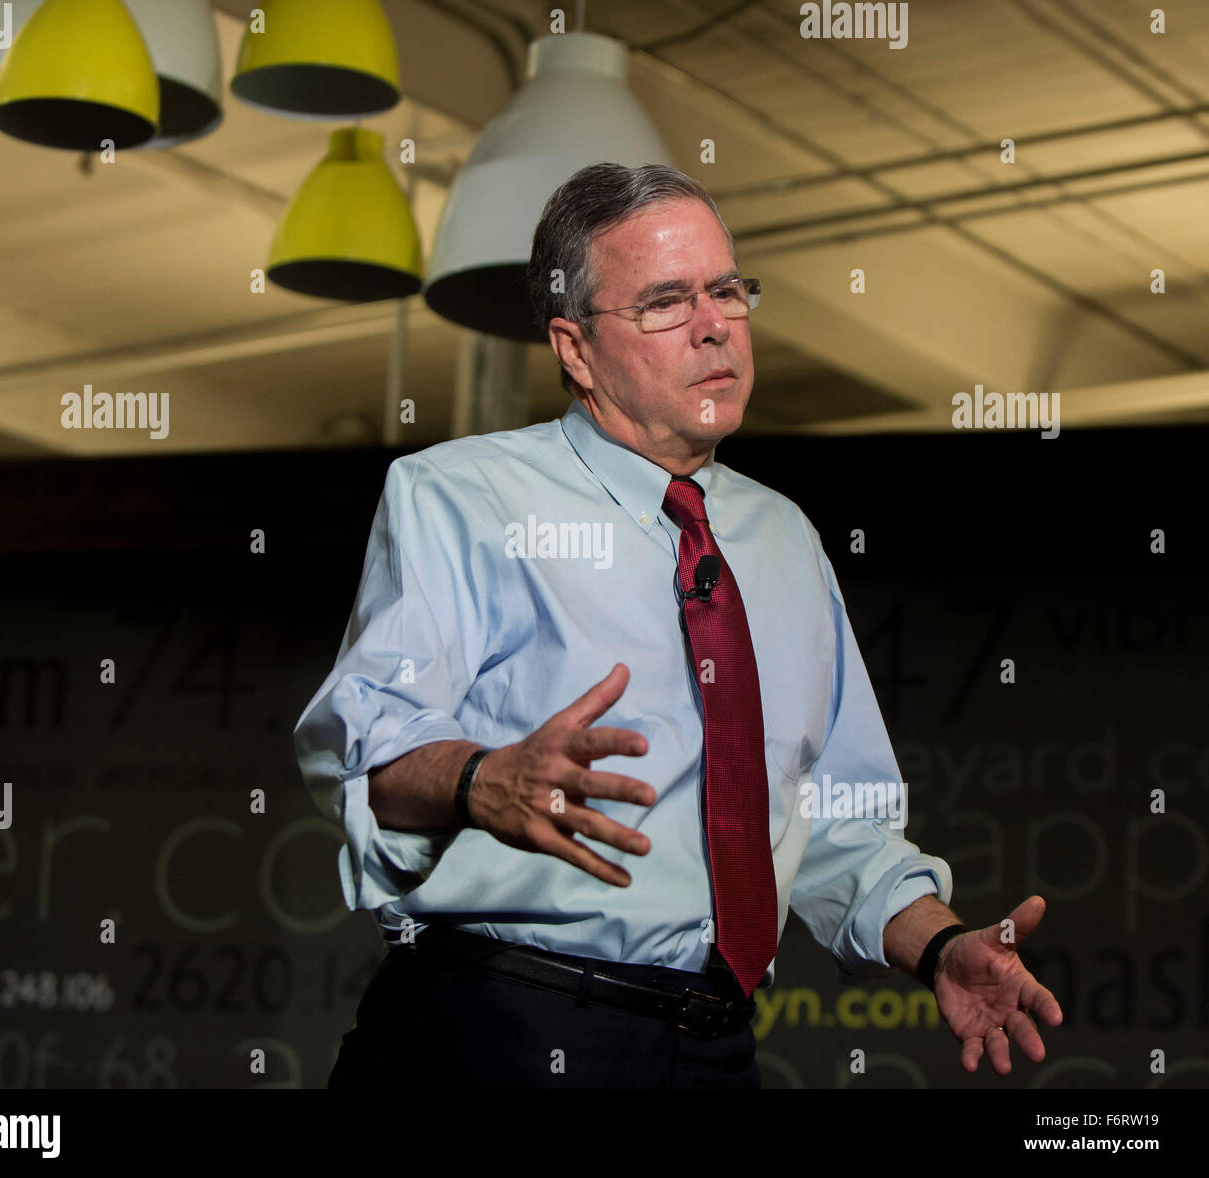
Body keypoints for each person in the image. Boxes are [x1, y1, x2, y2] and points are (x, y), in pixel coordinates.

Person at [293, 161, 1063, 1088]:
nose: (714, 326)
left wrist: (940, 949)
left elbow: (833, 820)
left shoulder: (782, 539)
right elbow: (366, 752)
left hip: (715, 1053)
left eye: (727, 290)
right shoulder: (460, 495)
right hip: (497, 1034)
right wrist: (480, 780)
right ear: (575, 349)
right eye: (665, 302)